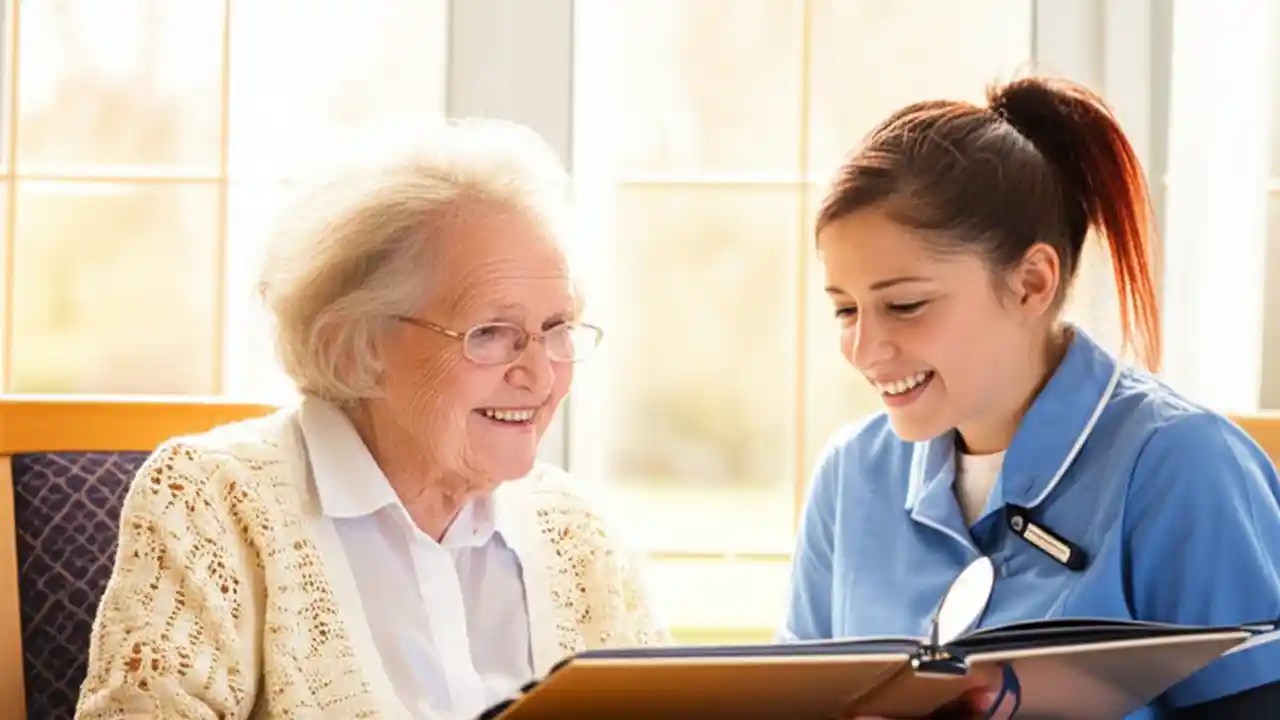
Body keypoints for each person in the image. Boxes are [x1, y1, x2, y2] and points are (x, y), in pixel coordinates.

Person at [77, 119, 668, 719]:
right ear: (358, 346)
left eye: (555, 330)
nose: (540, 377)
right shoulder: (213, 501)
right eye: (492, 334)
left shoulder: (578, 532)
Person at [785, 75, 1280, 719]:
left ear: (1031, 283)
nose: (865, 348)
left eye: (905, 305)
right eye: (846, 310)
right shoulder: (851, 475)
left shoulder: (1184, 467)